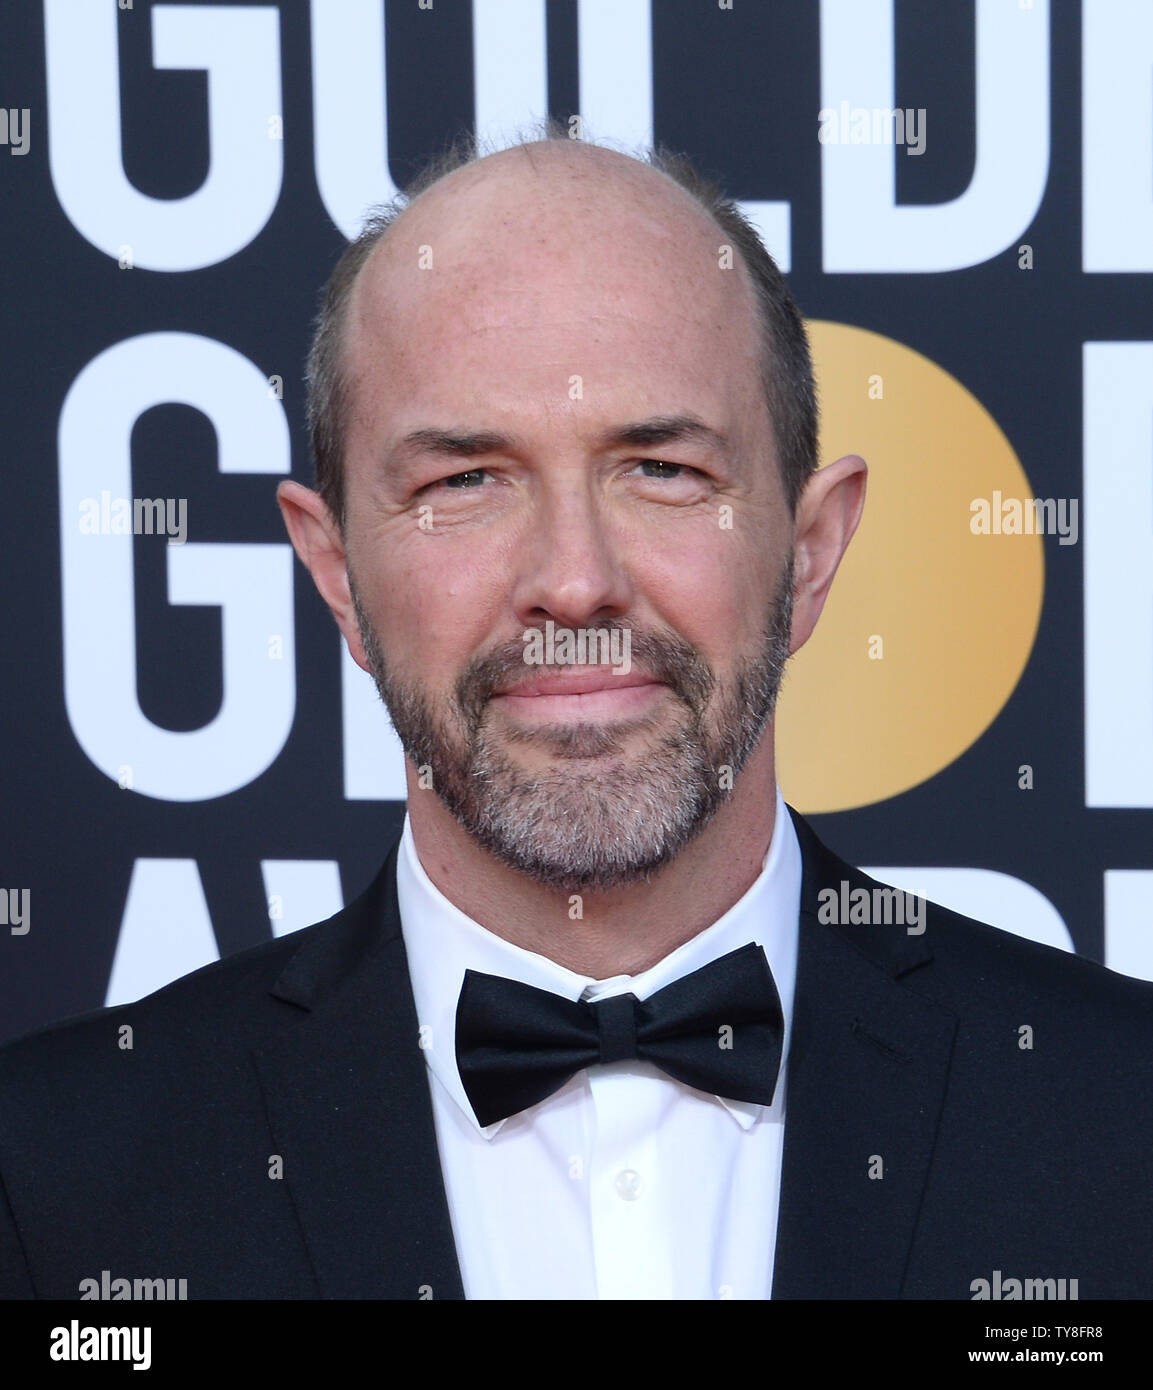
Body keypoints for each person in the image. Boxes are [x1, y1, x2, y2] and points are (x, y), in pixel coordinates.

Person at [2, 128, 1152, 1302]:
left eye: (660, 469)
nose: (573, 578)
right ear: (336, 571)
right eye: (464, 481)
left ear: (808, 553)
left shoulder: (1124, 1125)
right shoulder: (55, 1184)